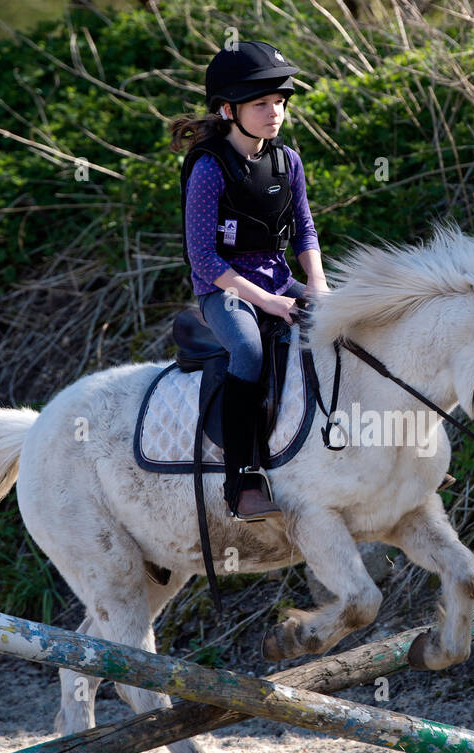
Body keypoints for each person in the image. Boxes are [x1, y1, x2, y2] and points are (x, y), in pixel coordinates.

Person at [170, 40, 328, 522]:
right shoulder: (208, 167)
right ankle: (243, 479)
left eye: (279, 103)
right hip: (224, 289)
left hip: (280, 278)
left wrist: (317, 285)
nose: (274, 112)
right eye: (261, 104)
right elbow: (203, 257)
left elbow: (304, 229)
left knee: (347, 324)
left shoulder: (289, 162)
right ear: (228, 109)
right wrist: (268, 303)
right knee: (249, 352)